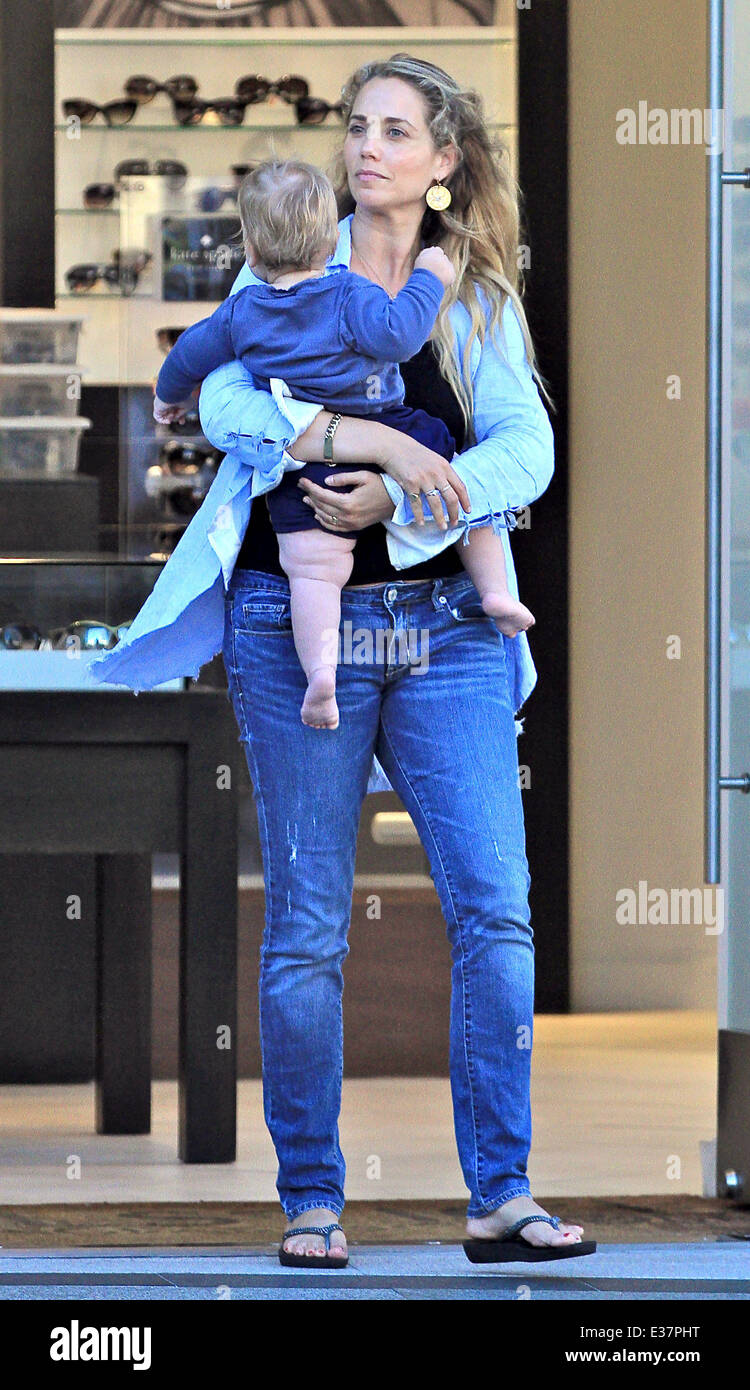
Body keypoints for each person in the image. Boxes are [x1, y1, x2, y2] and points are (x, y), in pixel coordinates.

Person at [91, 51, 595, 1268]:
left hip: (450, 636)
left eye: (396, 131)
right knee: (310, 925)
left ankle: (502, 1195)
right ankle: (313, 1198)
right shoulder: (289, 263)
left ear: (444, 162)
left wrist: (412, 500)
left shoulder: (471, 294)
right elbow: (215, 401)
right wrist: (349, 430)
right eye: (357, 126)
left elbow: (526, 452)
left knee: (497, 910)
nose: (368, 147)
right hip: (289, 623)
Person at [153, 158, 534, 730]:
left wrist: (168, 397)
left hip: (307, 473)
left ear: (251, 253)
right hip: (389, 423)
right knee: (450, 469)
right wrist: (430, 277)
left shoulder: (241, 313)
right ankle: (496, 591)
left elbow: (188, 354)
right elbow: (401, 334)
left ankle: (321, 677)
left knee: (310, 571)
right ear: (333, 237)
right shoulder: (349, 295)